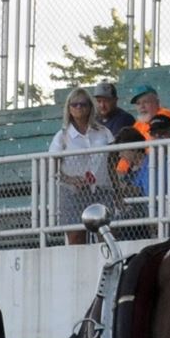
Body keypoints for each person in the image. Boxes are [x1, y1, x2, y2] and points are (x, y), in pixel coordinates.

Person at [48, 87, 113, 244]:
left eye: (83, 104)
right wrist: (71, 180)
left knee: (105, 234)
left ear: (90, 107)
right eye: (74, 104)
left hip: (101, 189)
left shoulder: (103, 132)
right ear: (68, 108)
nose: (79, 108)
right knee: (76, 235)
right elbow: (52, 167)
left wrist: (116, 188)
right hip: (73, 192)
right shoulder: (62, 136)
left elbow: (113, 161)